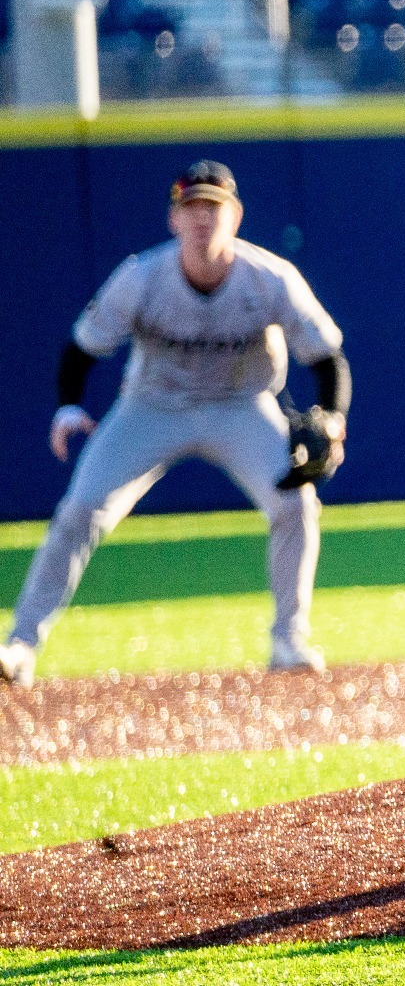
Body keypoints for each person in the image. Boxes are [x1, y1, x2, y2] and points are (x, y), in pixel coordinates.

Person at [0, 160, 351, 691]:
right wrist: (68, 406)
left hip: (243, 404)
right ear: (174, 220)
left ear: (236, 215)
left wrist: (332, 418)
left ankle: (289, 639)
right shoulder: (141, 278)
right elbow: (82, 348)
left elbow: (328, 358)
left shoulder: (270, 277)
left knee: (296, 501)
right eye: (192, 208)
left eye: (213, 206)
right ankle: (20, 645)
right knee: (80, 510)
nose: (203, 218)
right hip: (152, 406)